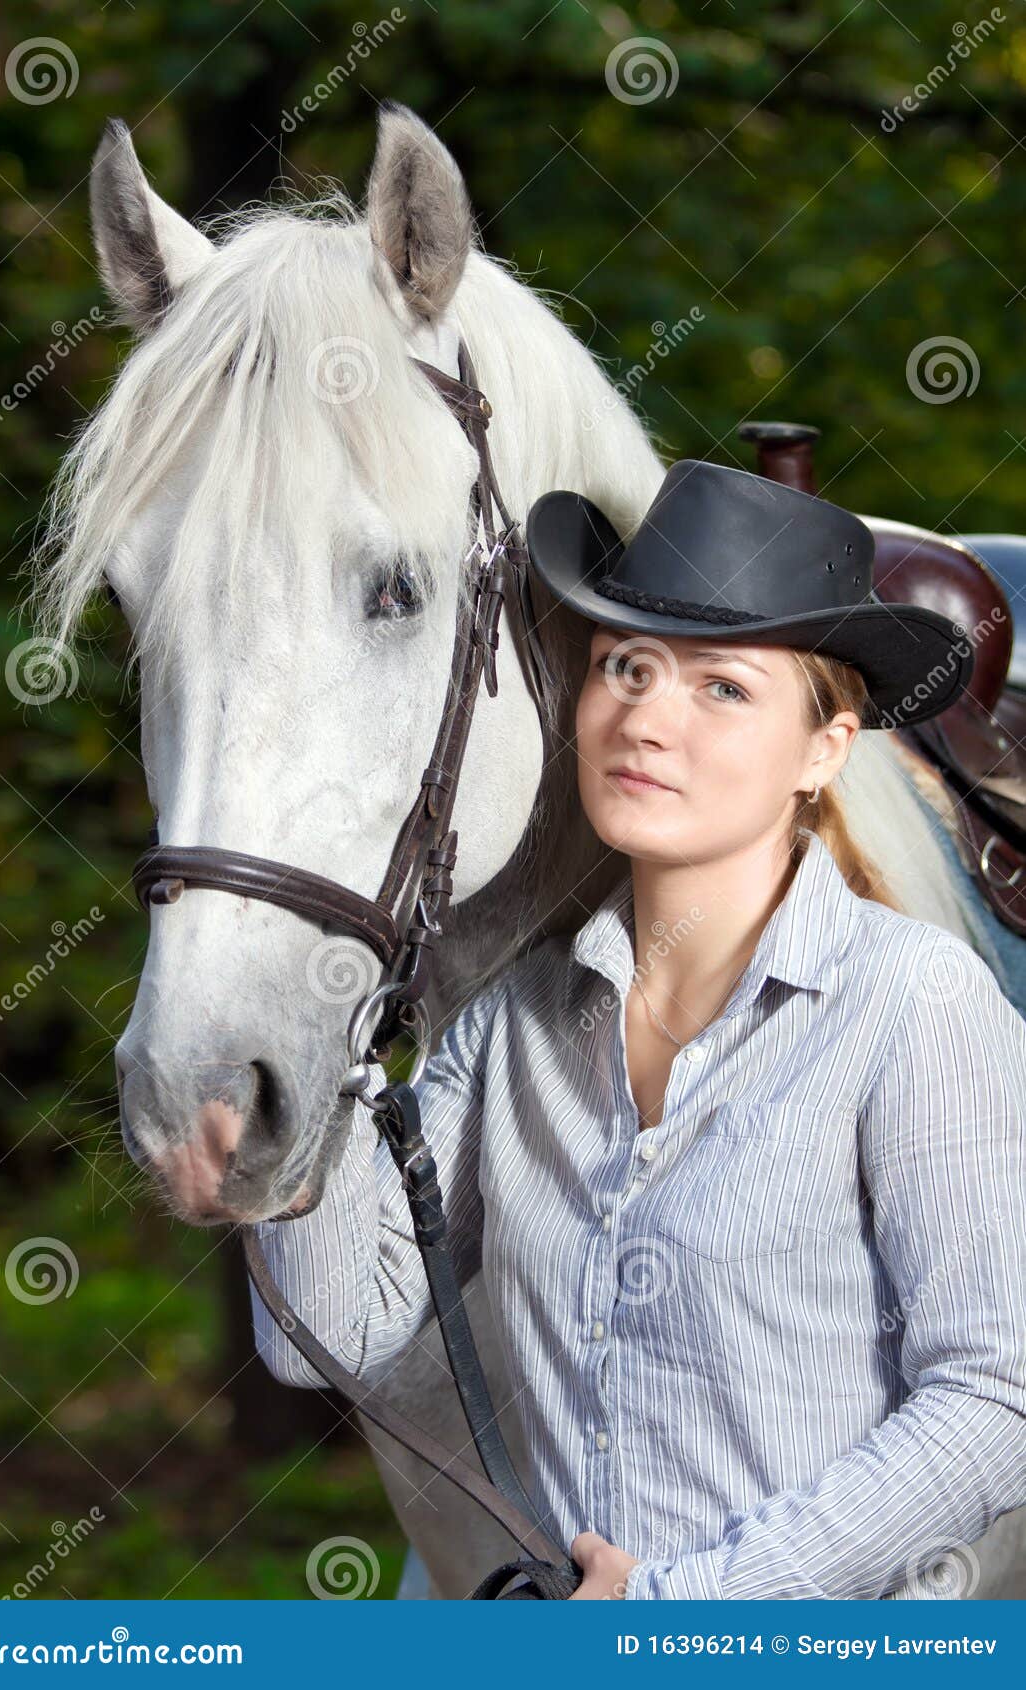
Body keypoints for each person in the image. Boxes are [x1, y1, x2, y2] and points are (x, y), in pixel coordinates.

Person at [251, 458, 1026, 1600]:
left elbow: (993, 1397)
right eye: (626, 665)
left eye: (722, 688)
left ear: (822, 751)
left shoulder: (912, 1003)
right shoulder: (513, 1025)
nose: (646, 719)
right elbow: (330, 1334)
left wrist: (685, 1606)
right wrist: (307, 1036)